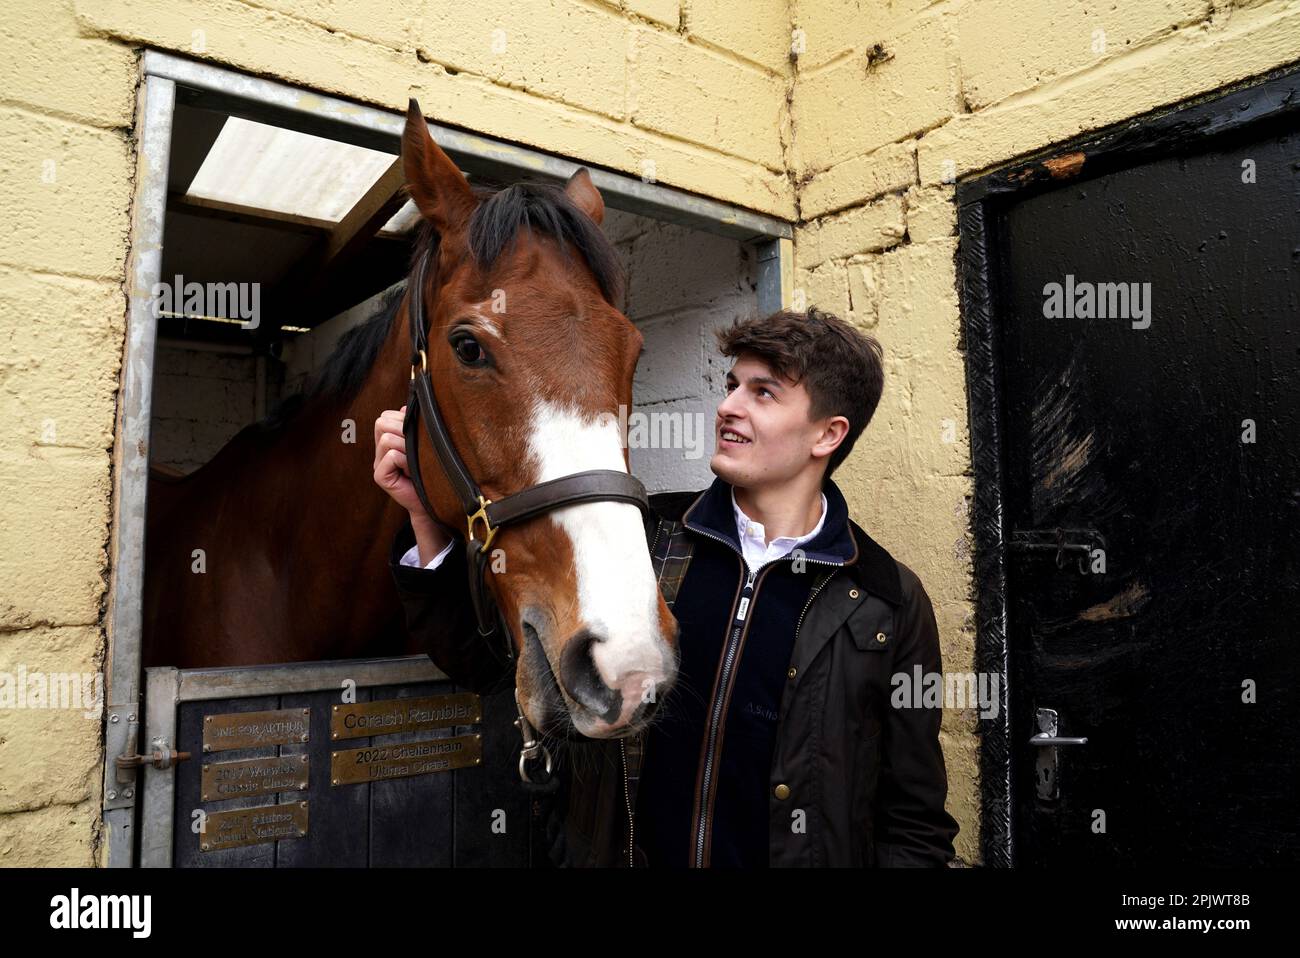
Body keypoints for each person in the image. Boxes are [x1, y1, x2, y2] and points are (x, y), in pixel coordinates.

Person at [373, 305, 960, 867]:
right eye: (732, 385)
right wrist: (423, 519)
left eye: (763, 393)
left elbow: (912, 817)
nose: (728, 406)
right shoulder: (646, 542)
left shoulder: (886, 601)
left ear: (827, 435)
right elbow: (488, 668)